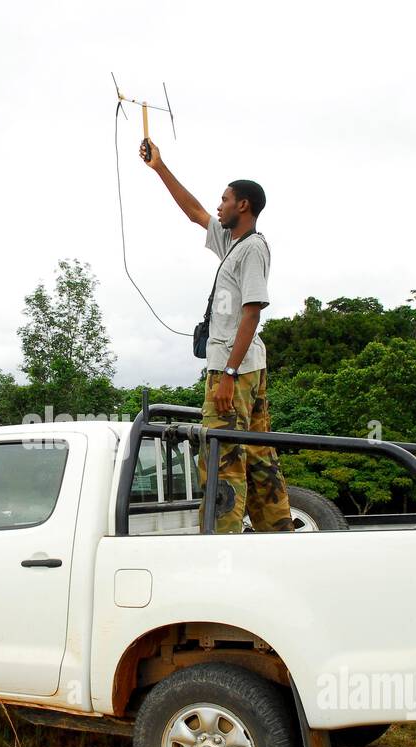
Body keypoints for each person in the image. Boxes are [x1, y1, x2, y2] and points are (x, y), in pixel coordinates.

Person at [140, 138, 294, 533]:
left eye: (225, 199)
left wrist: (227, 373)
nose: (219, 205)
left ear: (243, 205)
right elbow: (194, 212)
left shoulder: (252, 249)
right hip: (247, 367)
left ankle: (218, 542)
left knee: (222, 454)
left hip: (234, 369)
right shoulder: (233, 242)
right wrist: (160, 168)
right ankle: (279, 534)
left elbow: (252, 312)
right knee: (259, 456)